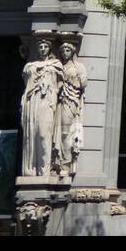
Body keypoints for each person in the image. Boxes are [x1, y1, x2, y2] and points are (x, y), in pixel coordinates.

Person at [20, 39, 62, 176]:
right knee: (31, 135)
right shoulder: (30, 66)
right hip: (33, 100)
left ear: (50, 49)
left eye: (45, 46)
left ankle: (44, 171)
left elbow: (60, 85)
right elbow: (27, 83)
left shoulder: (55, 65)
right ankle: (31, 170)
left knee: (44, 134)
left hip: (47, 101)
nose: (43, 49)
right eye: (40, 47)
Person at [55, 40, 87, 178]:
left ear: (72, 52)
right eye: (63, 51)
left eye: (67, 51)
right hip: (58, 101)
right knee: (57, 132)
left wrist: (77, 79)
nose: (65, 53)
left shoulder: (78, 66)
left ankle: (66, 164)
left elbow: (84, 83)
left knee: (66, 132)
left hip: (71, 101)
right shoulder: (59, 65)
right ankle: (58, 162)